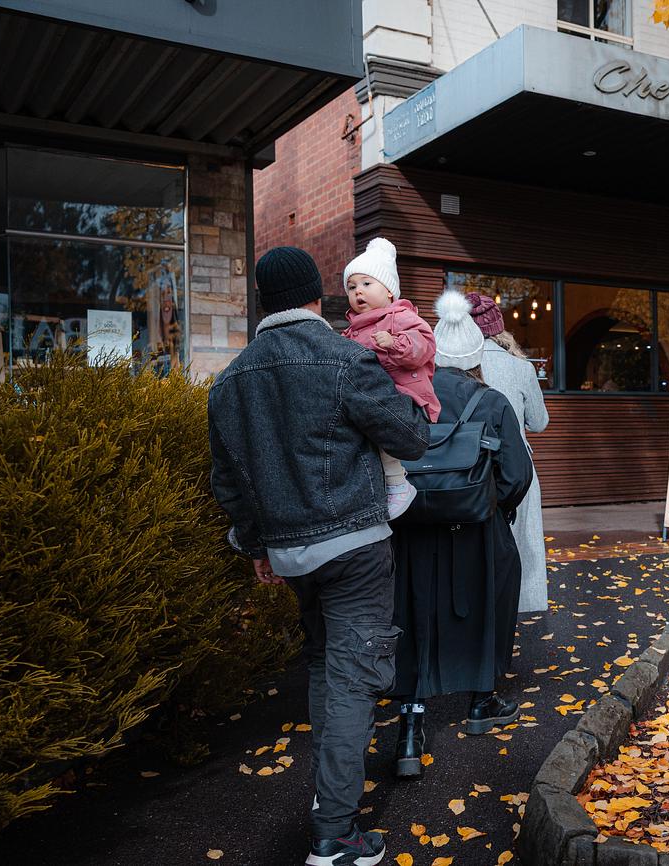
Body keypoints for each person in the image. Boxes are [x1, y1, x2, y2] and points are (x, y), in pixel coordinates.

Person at [208, 246, 429, 866]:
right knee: (353, 678)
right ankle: (335, 834)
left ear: (261, 302)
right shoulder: (344, 358)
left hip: (288, 553)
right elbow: (412, 436)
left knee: (324, 668)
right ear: (315, 296)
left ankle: (328, 806)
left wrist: (255, 547)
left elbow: (229, 482)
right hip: (355, 543)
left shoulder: (229, 380)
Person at [389, 289, 533, 779]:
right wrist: (493, 507)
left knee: (412, 616)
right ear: (476, 356)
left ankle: (409, 729)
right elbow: (517, 475)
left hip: (411, 528)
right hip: (476, 526)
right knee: (490, 601)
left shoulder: (402, 399)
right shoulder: (490, 402)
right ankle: (480, 703)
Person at [341, 237, 440, 519]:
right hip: (376, 395)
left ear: (389, 292)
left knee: (384, 434)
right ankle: (384, 486)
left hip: (406, 395)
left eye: (366, 284)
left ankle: (398, 484)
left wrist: (394, 343)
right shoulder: (352, 329)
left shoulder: (400, 317)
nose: (358, 291)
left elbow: (423, 346)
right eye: (352, 287)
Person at [466, 291, 550, 613]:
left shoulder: (451, 364)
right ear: (499, 327)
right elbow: (539, 422)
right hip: (516, 465)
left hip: (469, 463)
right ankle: (524, 604)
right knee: (524, 539)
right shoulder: (520, 367)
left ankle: (479, 603)